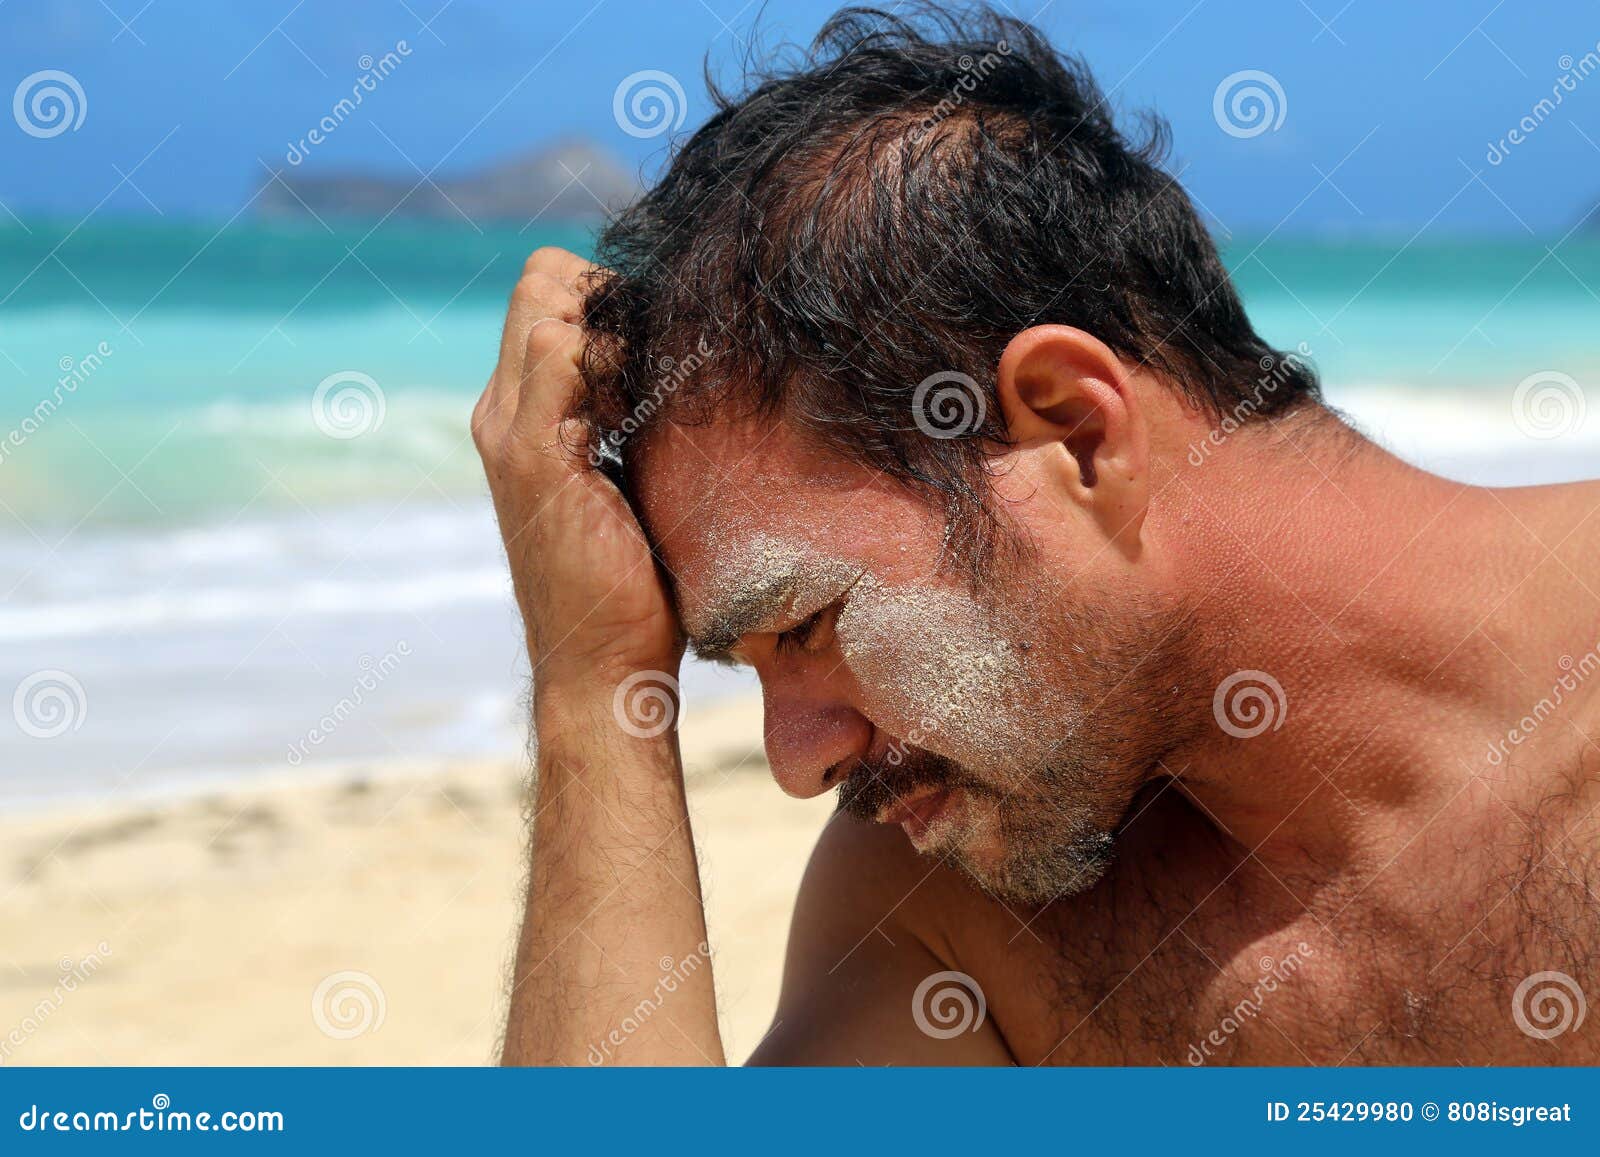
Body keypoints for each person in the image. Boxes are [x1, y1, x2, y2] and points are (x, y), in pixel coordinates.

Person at [475, 6, 1599, 1064]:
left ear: (1075, 431)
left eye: (805, 623)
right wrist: (594, 682)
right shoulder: (956, 919)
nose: (796, 761)